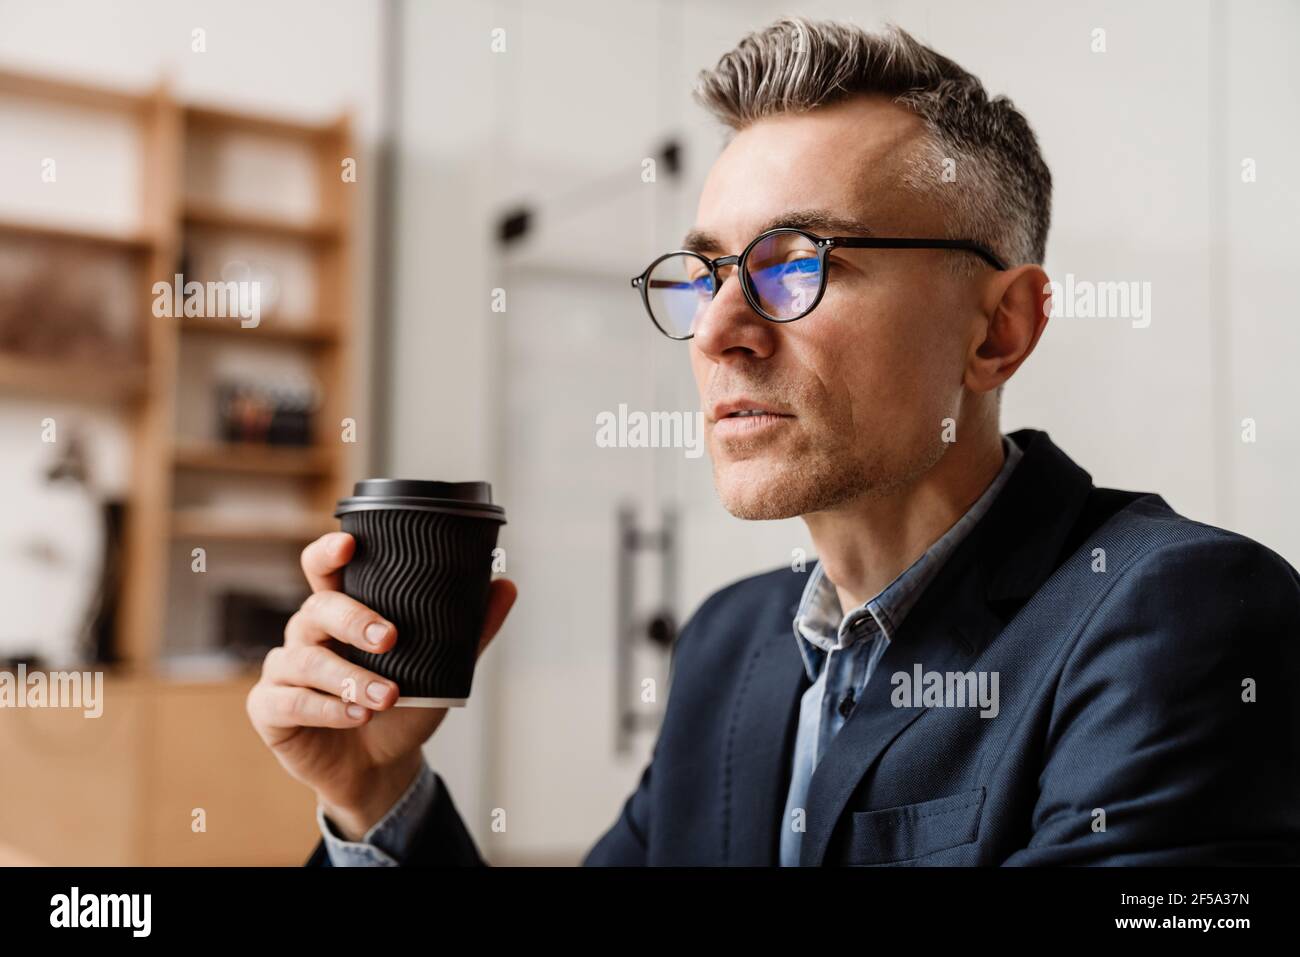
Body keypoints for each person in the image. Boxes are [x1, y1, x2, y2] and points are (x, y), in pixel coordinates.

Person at [246, 17, 1300, 866]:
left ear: (998, 329)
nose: (715, 330)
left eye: (797, 262)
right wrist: (376, 798)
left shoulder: (1176, 619)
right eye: (704, 272)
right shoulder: (727, 647)